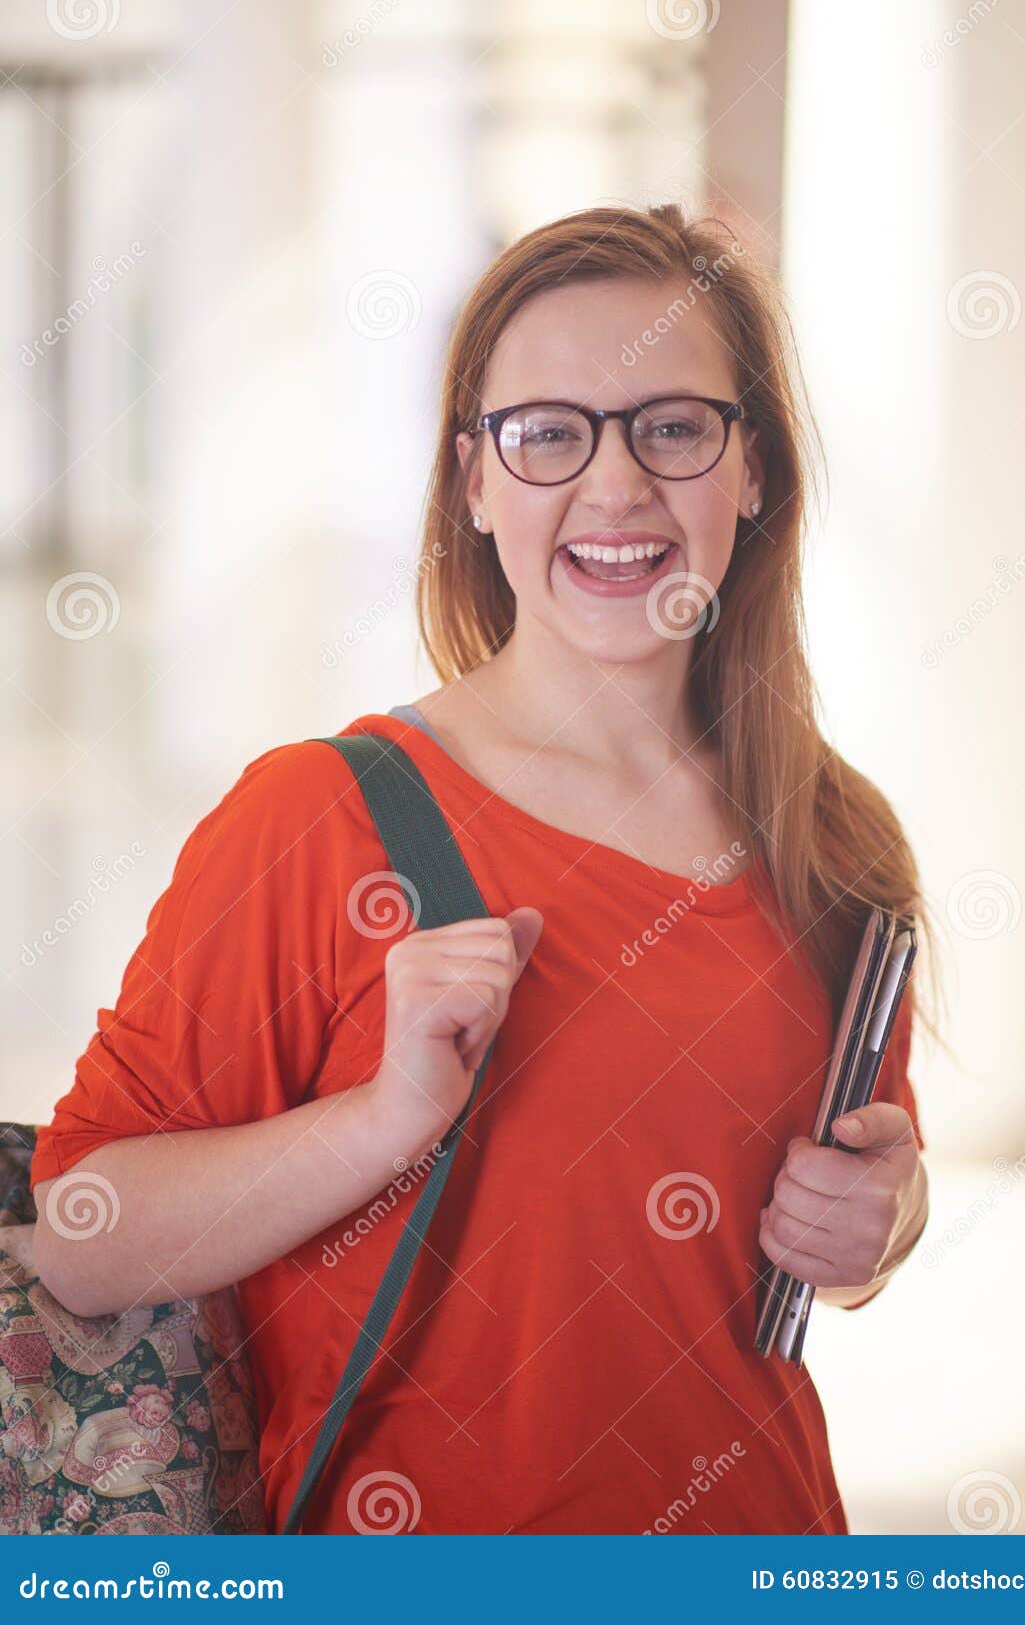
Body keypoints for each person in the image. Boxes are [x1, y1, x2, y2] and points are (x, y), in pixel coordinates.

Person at [30, 201, 937, 1536]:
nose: (616, 486)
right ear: (474, 480)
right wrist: (382, 1120)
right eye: (548, 431)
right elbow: (80, 1237)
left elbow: (860, 1200)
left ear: (752, 471)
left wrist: (888, 1218)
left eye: (674, 426)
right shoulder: (314, 820)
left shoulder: (830, 838)